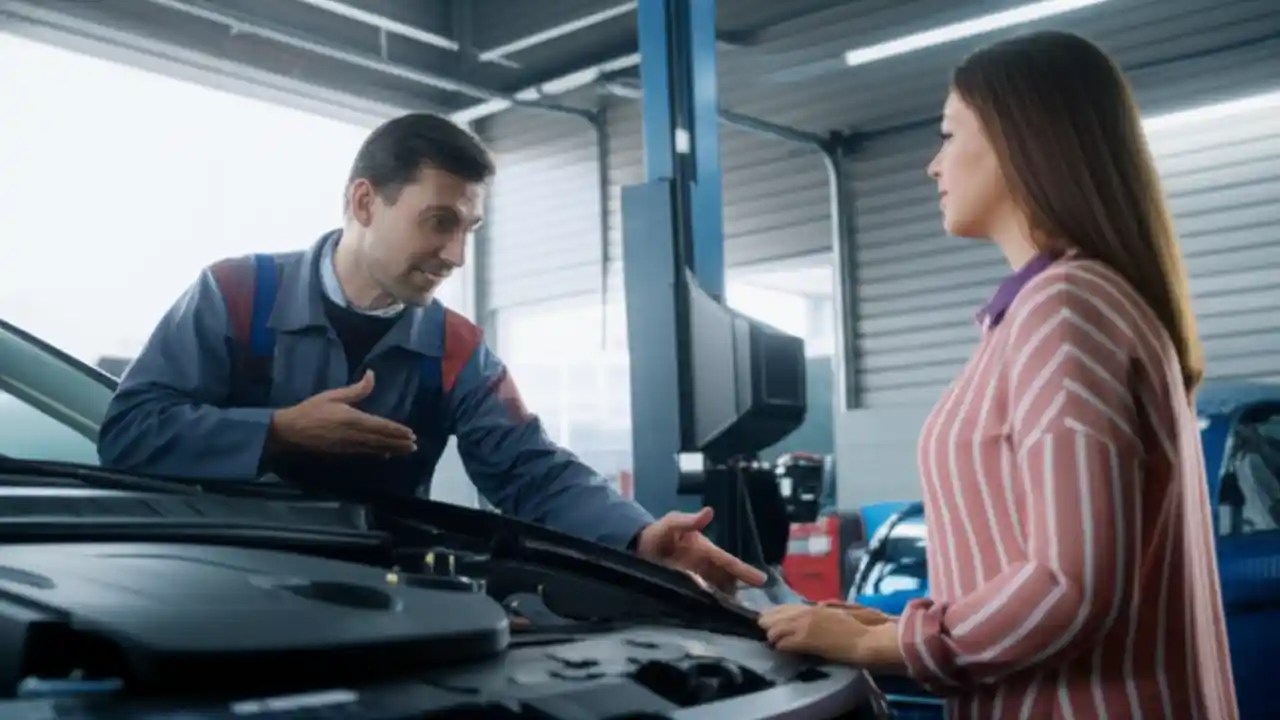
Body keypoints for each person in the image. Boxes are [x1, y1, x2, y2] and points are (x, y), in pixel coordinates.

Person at [758, 31, 1237, 720]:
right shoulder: (1055, 309)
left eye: (949, 134)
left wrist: (896, 643)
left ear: (1020, 140)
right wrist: (890, 627)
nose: (932, 165)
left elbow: (1067, 585)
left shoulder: (1065, 309)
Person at [97, 112, 765, 593]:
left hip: (375, 596)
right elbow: (129, 433)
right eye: (439, 222)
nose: (456, 255)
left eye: (469, 228)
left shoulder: (457, 348)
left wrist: (637, 537)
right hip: (210, 589)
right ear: (364, 201)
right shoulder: (235, 295)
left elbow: (529, 470)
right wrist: (277, 433)